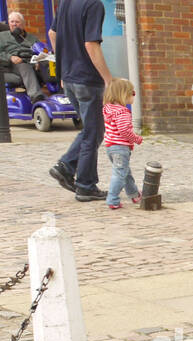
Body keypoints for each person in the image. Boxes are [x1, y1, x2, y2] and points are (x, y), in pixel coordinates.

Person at [48, 0, 112, 202]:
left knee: (90, 130)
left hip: (69, 78)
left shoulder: (66, 3)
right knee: (93, 133)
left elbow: (52, 34)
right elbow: (91, 44)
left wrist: (62, 68)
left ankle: (67, 168)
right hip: (87, 79)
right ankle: (84, 185)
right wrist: (108, 80)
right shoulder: (94, 5)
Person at [102, 78, 143, 210]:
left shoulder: (108, 109)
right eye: (133, 93)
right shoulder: (122, 112)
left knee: (125, 172)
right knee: (120, 174)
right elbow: (124, 130)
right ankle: (112, 199)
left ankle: (134, 194)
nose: (134, 96)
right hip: (120, 148)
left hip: (110, 146)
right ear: (124, 94)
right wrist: (136, 138)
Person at [1, 10, 51, 102]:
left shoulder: (32, 38)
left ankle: (58, 94)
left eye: (17, 22)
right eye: (12, 22)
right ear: (9, 23)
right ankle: (36, 96)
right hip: (10, 66)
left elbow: (41, 51)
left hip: (31, 63)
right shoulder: (2, 36)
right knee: (23, 65)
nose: (14, 24)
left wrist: (38, 60)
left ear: (23, 24)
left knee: (50, 64)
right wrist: (10, 57)